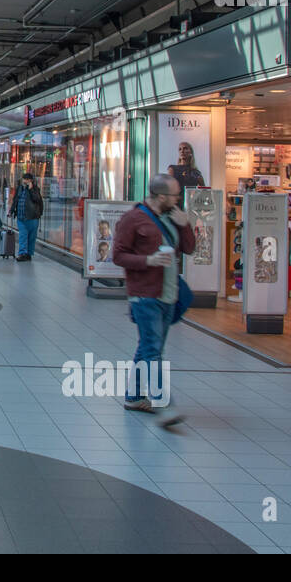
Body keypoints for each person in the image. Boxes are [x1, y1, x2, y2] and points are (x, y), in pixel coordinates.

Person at [112, 173, 196, 426]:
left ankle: (134, 397)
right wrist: (148, 261)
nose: (178, 199)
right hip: (144, 295)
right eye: (174, 195)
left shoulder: (173, 217)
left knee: (150, 348)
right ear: (161, 196)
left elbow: (190, 249)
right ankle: (164, 404)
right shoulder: (133, 219)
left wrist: (185, 225)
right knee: (152, 349)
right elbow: (118, 256)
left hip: (168, 294)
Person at [8, 172, 43, 262]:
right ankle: (22, 253)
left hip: (33, 217)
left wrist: (31, 189)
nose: (24, 181)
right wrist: (11, 211)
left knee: (31, 237)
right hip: (21, 217)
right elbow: (15, 200)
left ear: (30, 181)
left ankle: (29, 254)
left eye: (26, 179)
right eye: (24, 179)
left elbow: (37, 199)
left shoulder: (35, 189)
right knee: (23, 236)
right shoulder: (20, 188)